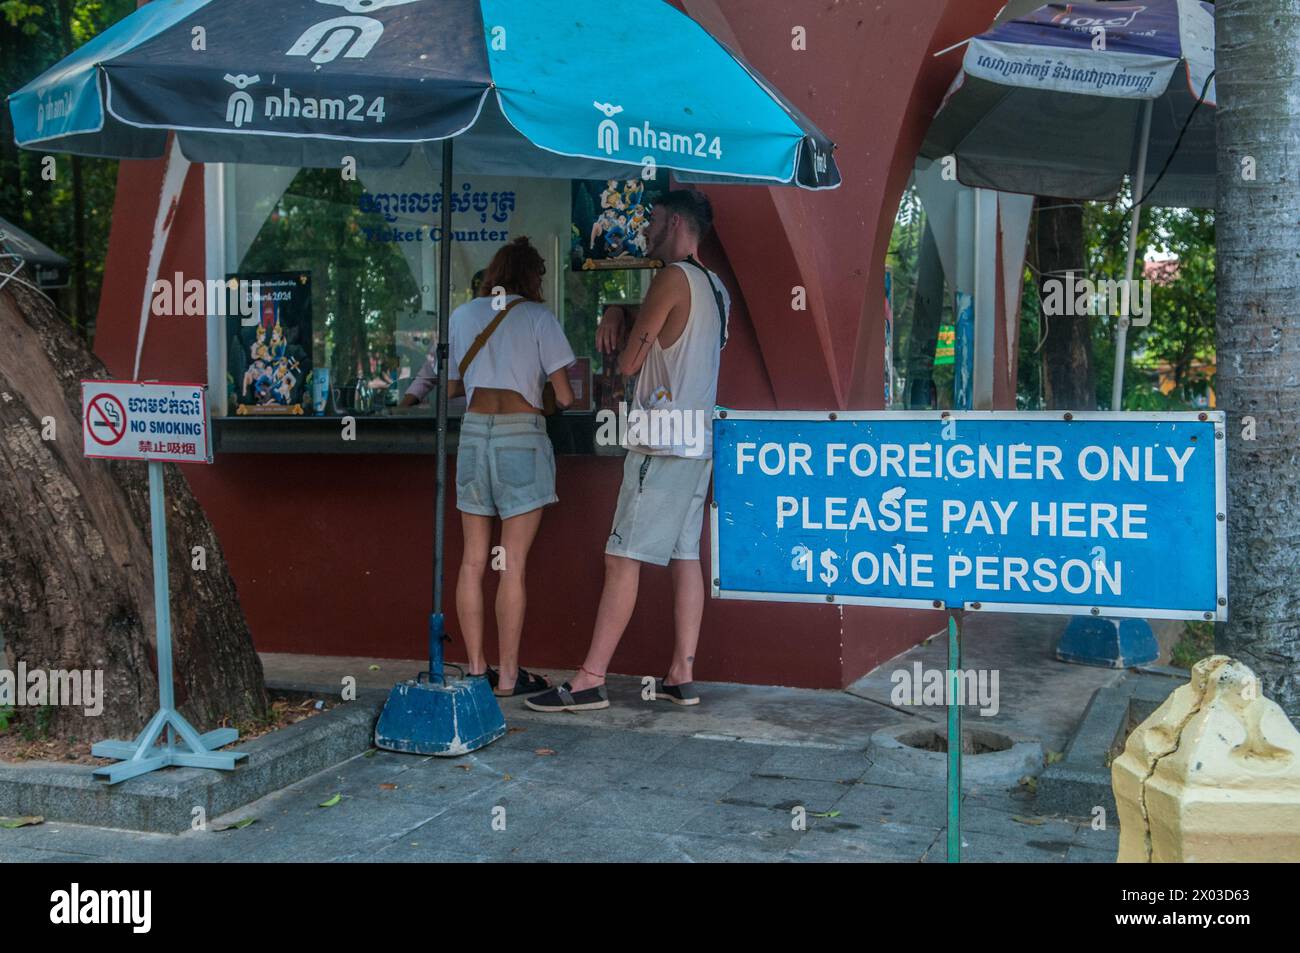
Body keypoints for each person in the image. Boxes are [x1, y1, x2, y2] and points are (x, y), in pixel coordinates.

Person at [526, 190, 729, 713]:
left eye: (654, 220)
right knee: (686, 556)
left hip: (658, 440)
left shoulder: (670, 277)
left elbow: (633, 361)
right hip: (699, 438)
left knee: (623, 556)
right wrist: (620, 306)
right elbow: (675, 326)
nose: (644, 229)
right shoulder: (715, 288)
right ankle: (682, 673)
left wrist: (619, 323)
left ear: (677, 223)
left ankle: (590, 679)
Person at [414, 238, 575, 696]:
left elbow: (448, 388)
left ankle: (476, 669)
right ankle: (507, 676)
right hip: (520, 434)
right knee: (513, 564)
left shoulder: (463, 316)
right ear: (531, 276)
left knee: (471, 561)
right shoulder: (540, 318)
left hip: (473, 434)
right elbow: (564, 397)